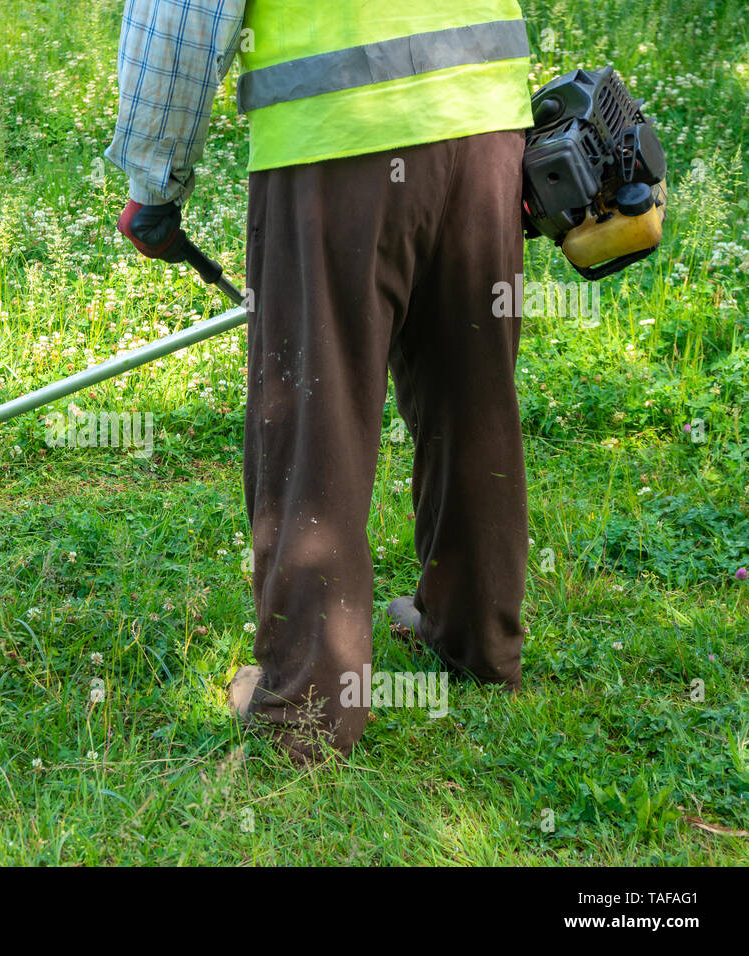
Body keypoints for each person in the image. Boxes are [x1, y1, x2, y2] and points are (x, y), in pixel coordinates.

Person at [107, 0, 535, 760]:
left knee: (315, 411)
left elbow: (179, 16)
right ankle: (476, 639)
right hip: (483, 122)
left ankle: (306, 704)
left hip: (337, 138)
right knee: (473, 393)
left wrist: (156, 179)